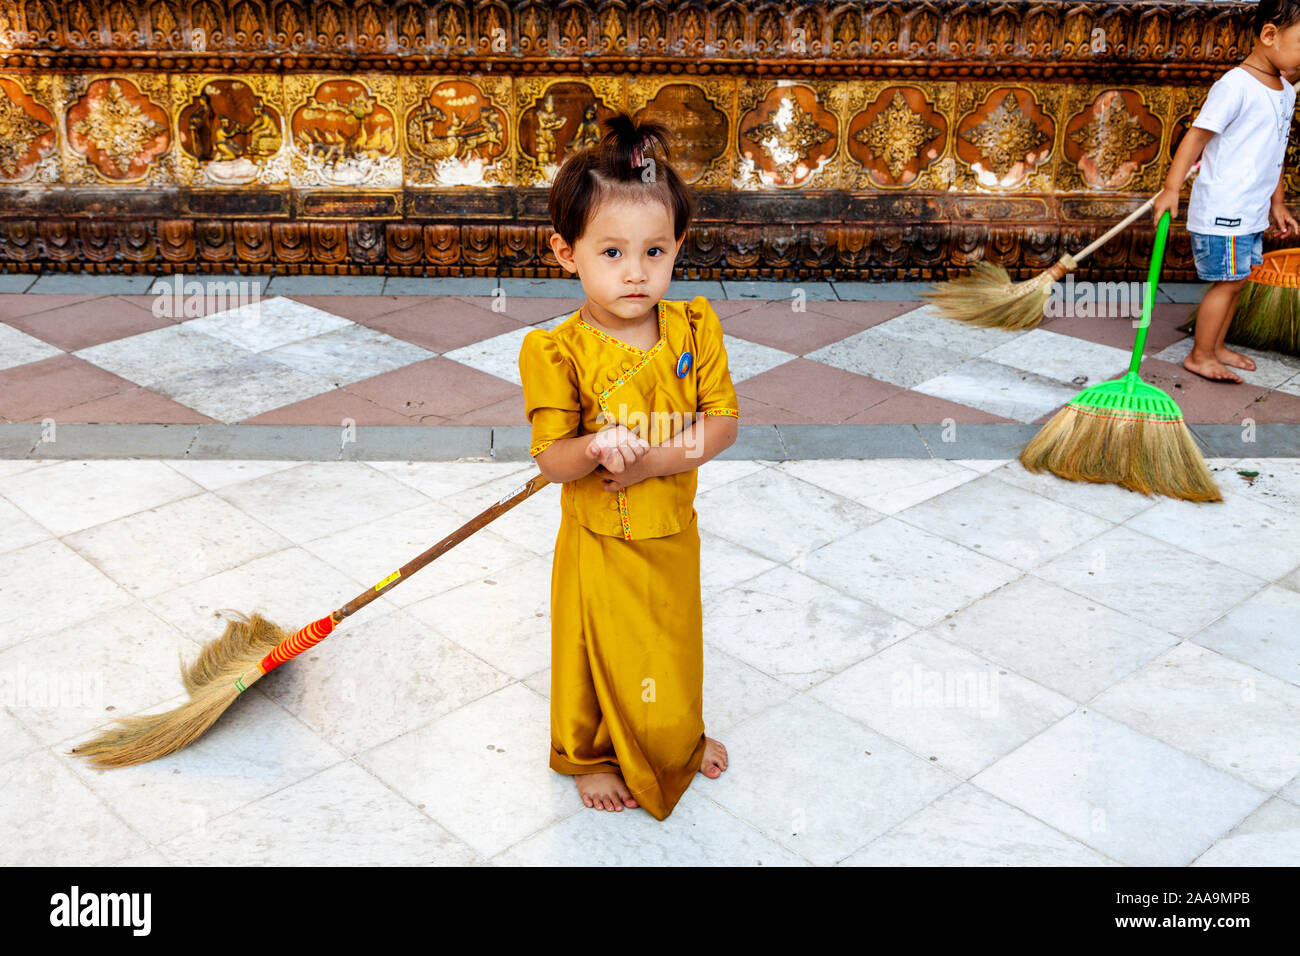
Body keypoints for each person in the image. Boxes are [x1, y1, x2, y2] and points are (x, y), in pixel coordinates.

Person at [516, 113, 738, 819]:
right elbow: (554, 461)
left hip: (671, 525)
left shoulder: (694, 328)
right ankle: (589, 755)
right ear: (564, 252)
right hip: (599, 540)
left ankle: (674, 736)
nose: (636, 272)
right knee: (599, 649)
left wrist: (653, 465)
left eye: (655, 251)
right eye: (611, 253)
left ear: (679, 247)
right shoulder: (557, 353)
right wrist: (592, 449)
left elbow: (724, 424)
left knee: (672, 639)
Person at [1154, 0, 1300, 383]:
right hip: (1225, 208)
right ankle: (1200, 355)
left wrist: (1278, 203)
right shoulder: (1235, 85)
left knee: (1239, 280)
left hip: (1250, 210)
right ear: (1270, 35)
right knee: (1229, 281)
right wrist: (1171, 189)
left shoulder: (1286, 90)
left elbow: (1276, 149)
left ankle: (1216, 346)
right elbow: (1195, 139)